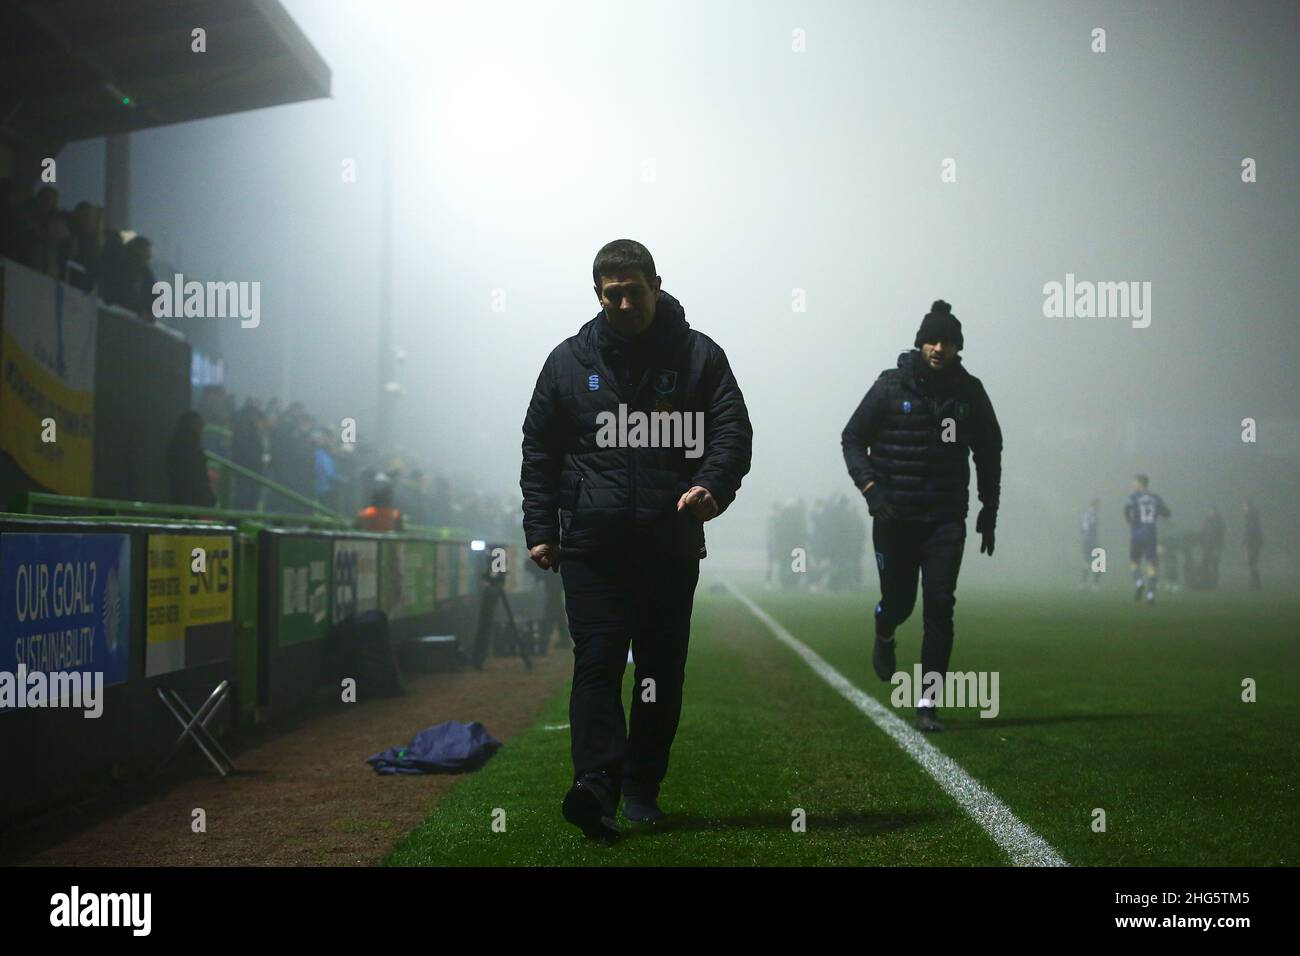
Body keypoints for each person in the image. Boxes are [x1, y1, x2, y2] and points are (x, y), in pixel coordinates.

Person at [521, 239, 752, 838]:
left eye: (633, 290)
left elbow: (732, 431)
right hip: (592, 548)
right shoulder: (567, 362)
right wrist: (541, 527)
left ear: (656, 283)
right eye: (612, 293)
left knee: (658, 672)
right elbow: (540, 448)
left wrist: (712, 488)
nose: (624, 303)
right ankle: (596, 783)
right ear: (598, 295)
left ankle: (641, 786)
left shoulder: (700, 356)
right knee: (596, 664)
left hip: (667, 545)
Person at [841, 299, 1002, 732]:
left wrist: (990, 507)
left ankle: (928, 702)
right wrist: (871, 490)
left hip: (945, 519)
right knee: (900, 602)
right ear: (920, 343)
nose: (939, 348)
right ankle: (885, 627)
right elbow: (852, 438)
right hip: (894, 518)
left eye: (947, 342)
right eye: (932, 340)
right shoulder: (891, 387)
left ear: (957, 348)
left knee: (940, 606)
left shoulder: (969, 393)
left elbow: (989, 452)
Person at [1124, 474, 1170, 604]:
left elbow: (1126, 510)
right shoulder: (1155, 497)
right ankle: (1150, 595)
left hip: (1137, 533)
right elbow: (1167, 513)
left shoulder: (1134, 496)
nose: (1133, 485)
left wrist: (1130, 521)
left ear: (1140, 484)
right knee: (1152, 564)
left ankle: (1139, 582)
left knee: (1134, 562)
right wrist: (1159, 513)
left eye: (1134, 483)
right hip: (1150, 533)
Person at [166, 411, 216, 507]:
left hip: (178, 491)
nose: (202, 427)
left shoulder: (177, 443)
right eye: (200, 424)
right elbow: (197, 471)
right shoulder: (191, 445)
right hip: (191, 494)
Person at [1202, 506, 1226, 588]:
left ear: (1216, 511)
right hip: (1207, 546)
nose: (1211, 512)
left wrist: (1219, 547)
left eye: (1213, 510)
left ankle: (1215, 582)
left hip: (1216, 546)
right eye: (1210, 510)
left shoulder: (1220, 521)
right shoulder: (1207, 520)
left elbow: (1222, 535)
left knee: (1215, 564)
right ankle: (1206, 580)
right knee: (1205, 563)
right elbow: (1204, 532)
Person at [1080, 498, 1101, 588]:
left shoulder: (1084, 514)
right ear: (1095, 505)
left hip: (1085, 540)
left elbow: (1081, 528)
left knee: (1086, 561)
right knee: (1098, 561)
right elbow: (1092, 526)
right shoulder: (1093, 514)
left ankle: (1083, 583)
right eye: (1098, 506)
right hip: (1091, 540)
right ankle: (1095, 584)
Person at [1243, 499, 1262, 589]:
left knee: (1252, 563)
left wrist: (1247, 542)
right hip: (1252, 543)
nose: (1243, 508)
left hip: (1253, 544)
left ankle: (1255, 583)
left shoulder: (1251, 518)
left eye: (1244, 506)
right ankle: (1254, 582)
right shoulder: (1250, 518)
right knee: (1251, 563)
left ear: (1248, 507)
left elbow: (1252, 532)